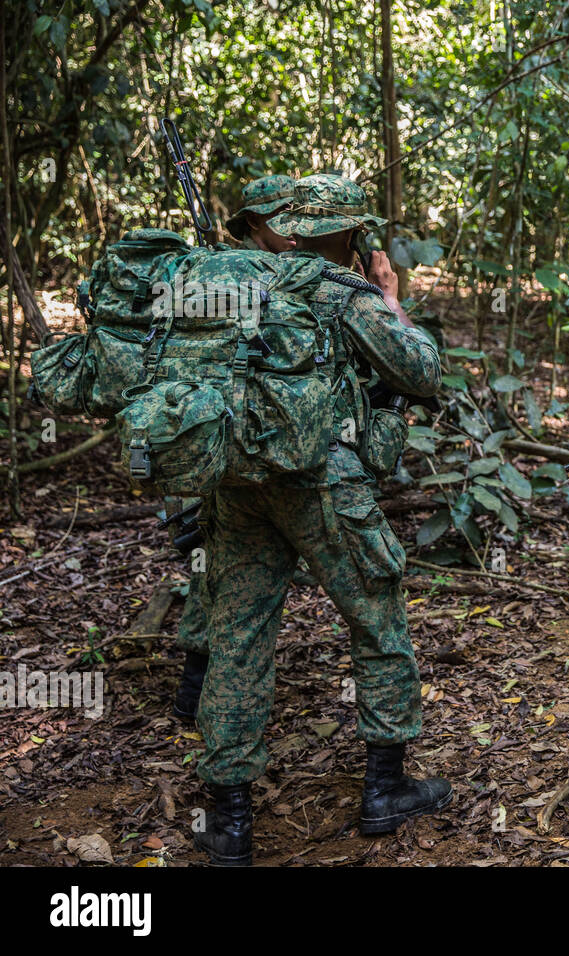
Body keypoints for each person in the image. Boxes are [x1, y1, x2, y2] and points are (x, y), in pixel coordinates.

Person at [192, 174, 449, 865]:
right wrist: (391, 300)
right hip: (322, 480)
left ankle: (230, 820)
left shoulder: (211, 285)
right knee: (377, 615)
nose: (354, 242)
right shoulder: (340, 293)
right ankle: (385, 788)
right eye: (346, 231)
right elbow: (421, 372)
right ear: (304, 233)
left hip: (237, 479)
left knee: (240, 633)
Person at [169, 175, 301, 722]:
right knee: (219, 570)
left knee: (214, 566)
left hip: (224, 439)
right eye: (279, 218)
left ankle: (194, 692)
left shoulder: (218, 269)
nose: (292, 230)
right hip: (235, 438)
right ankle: (201, 696)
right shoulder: (254, 270)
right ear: (252, 222)